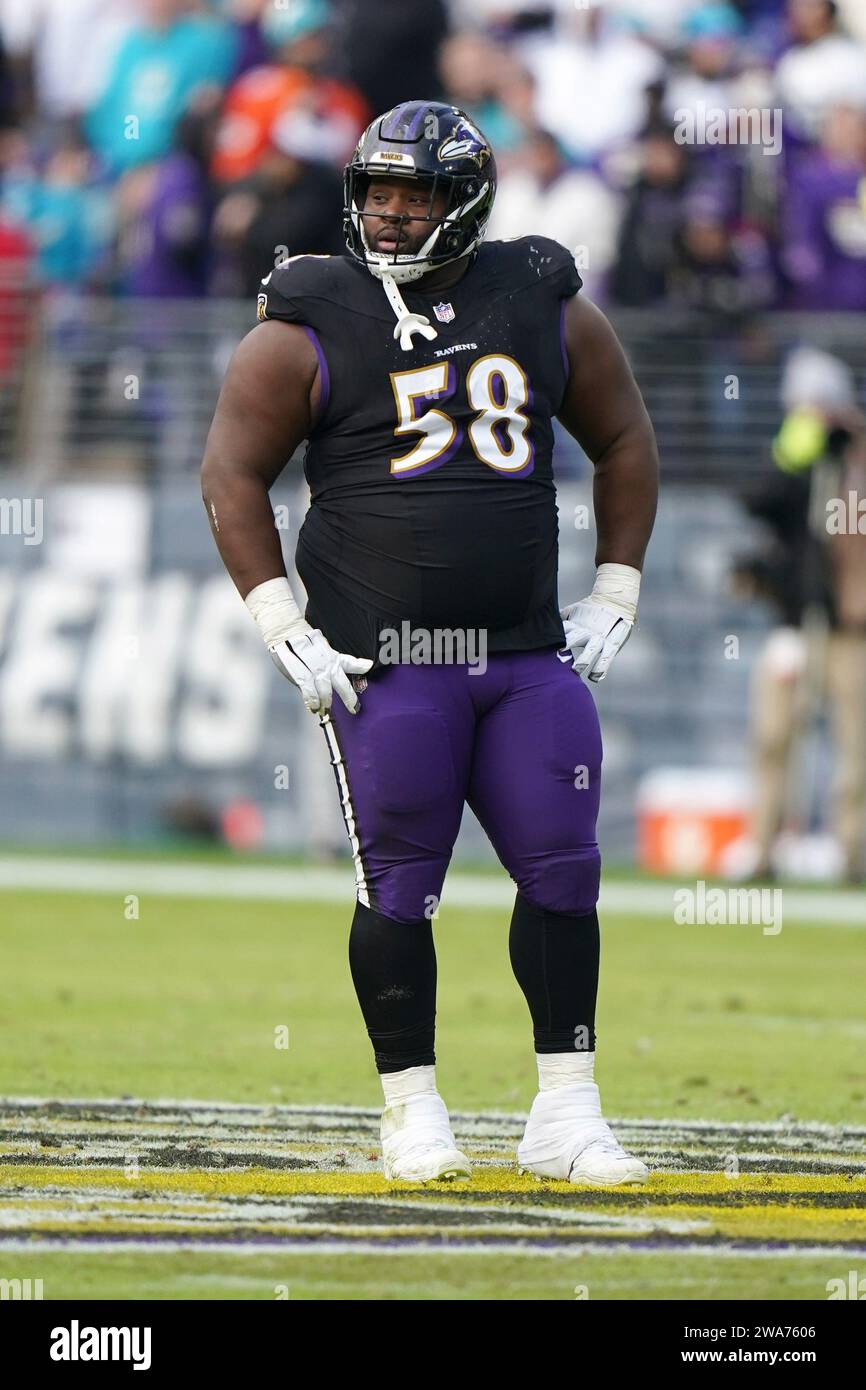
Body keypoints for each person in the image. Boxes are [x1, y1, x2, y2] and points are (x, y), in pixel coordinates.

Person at [201, 101, 659, 1186]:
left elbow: (624, 436)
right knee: (399, 883)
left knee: (564, 871)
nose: (391, 215)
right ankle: (411, 1111)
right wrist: (279, 620)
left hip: (522, 656)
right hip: (390, 660)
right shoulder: (306, 317)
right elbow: (230, 474)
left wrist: (617, 586)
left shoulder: (535, 297)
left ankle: (565, 1111)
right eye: (376, 193)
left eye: (414, 196)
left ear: (465, 202)